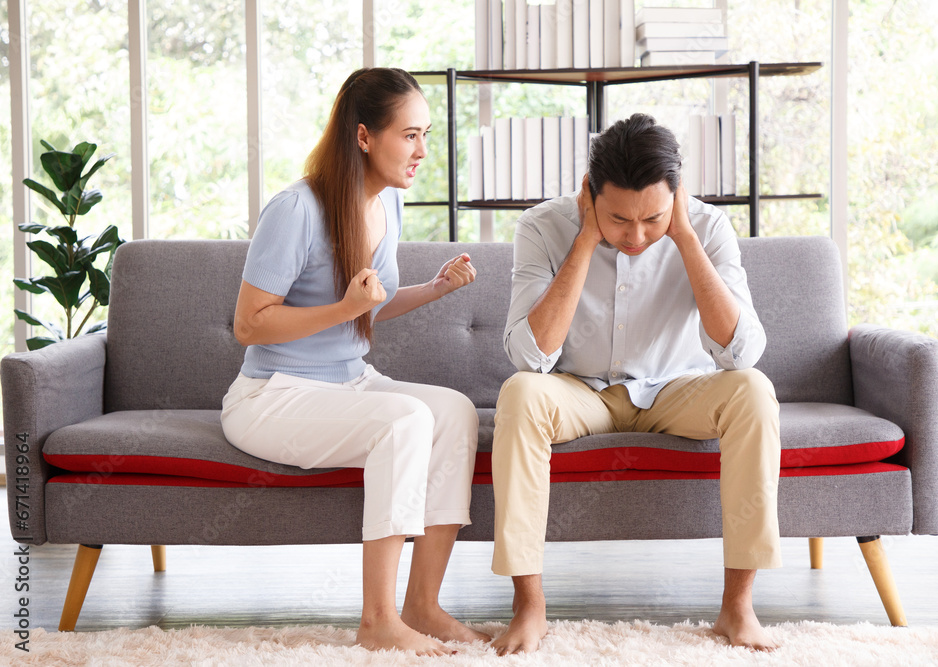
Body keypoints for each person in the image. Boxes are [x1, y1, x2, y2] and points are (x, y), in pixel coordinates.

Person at [490, 113, 782, 655]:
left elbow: (741, 351)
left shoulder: (707, 226)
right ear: (588, 194)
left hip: (676, 390)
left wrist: (685, 237)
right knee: (520, 392)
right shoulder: (542, 227)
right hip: (581, 391)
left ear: (677, 193)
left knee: (753, 390)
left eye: (653, 218)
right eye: (618, 219)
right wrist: (584, 241)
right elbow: (530, 354)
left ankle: (738, 608)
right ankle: (529, 605)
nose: (637, 236)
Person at [220, 67, 489, 657]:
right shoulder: (296, 209)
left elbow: (367, 308)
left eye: (425, 135)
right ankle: (378, 619)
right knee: (406, 420)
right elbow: (249, 324)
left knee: (454, 411)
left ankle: (423, 603)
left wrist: (433, 289)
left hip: (349, 382)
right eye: (410, 136)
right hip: (273, 395)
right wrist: (346, 305)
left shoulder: (385, 201)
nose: (422, 151)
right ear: (364, 137)